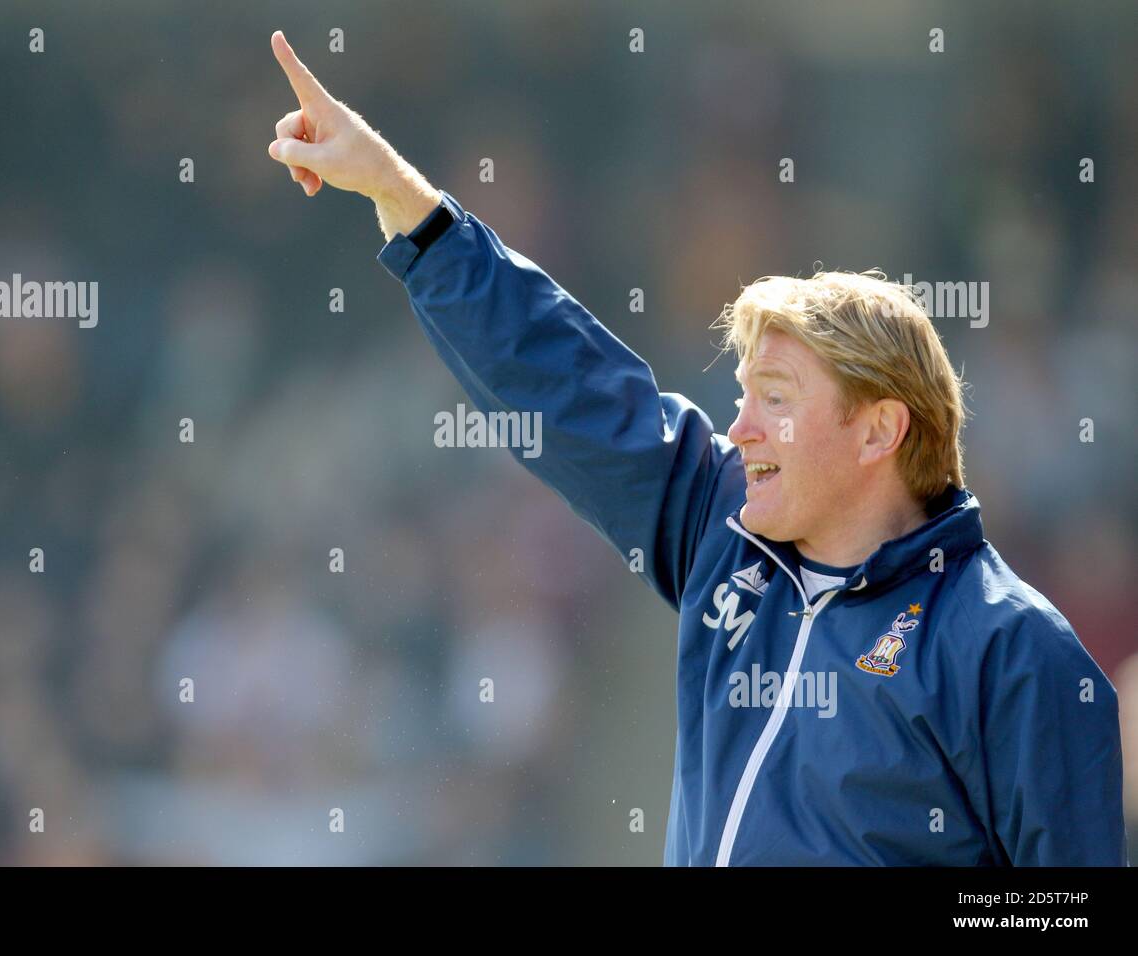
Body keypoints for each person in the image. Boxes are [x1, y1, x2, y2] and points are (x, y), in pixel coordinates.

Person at [265, 31, 1126, 865]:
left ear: (879, 429)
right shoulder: (725, 535)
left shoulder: (1015, 653)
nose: (741, 428)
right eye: (743, 398)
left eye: (776, 401)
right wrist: (396, 193)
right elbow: (565, 380)